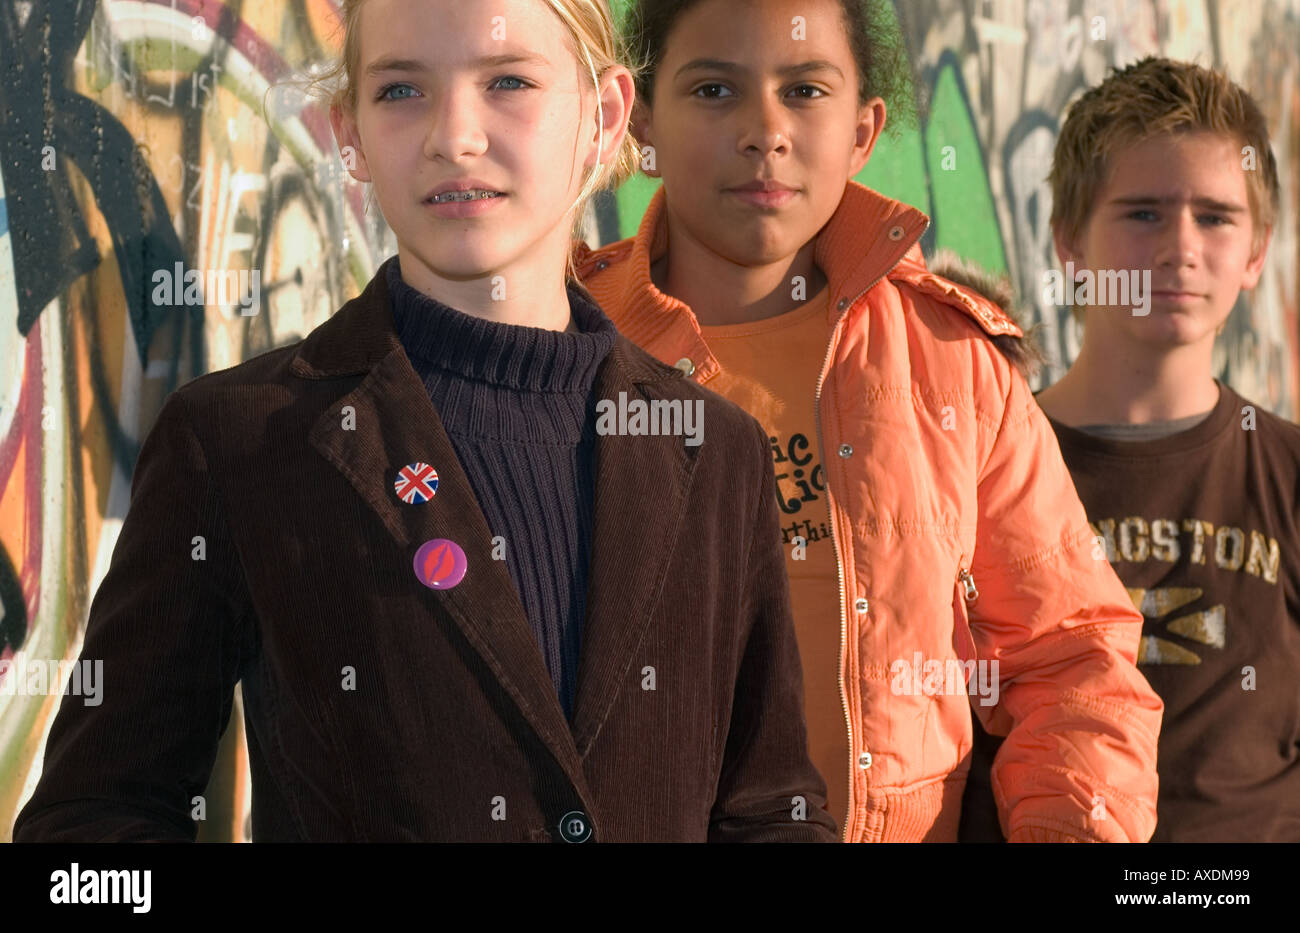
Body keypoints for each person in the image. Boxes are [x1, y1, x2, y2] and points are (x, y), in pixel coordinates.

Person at [13, 0, 836, 843]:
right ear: (352, 132)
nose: (455, 135)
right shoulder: (237, 441)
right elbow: (88, 825)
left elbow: (771, 810)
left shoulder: (714, 451)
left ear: (605, 116)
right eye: (402, 89)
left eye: (508, 80)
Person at [578, 0, 1163, 842]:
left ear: (862, 129)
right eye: (713, 90)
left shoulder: (949, 359)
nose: (764, 131)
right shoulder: (564, 346)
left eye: (805, 90)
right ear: (643, 122)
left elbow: (1073, 657)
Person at [1032, 56, 1298, 842]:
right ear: (1070, 244)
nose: (1180, 247)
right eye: (1143, 213)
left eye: (1216, 217)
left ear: (1256, 254)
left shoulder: (1287, 475)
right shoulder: (989, 465)